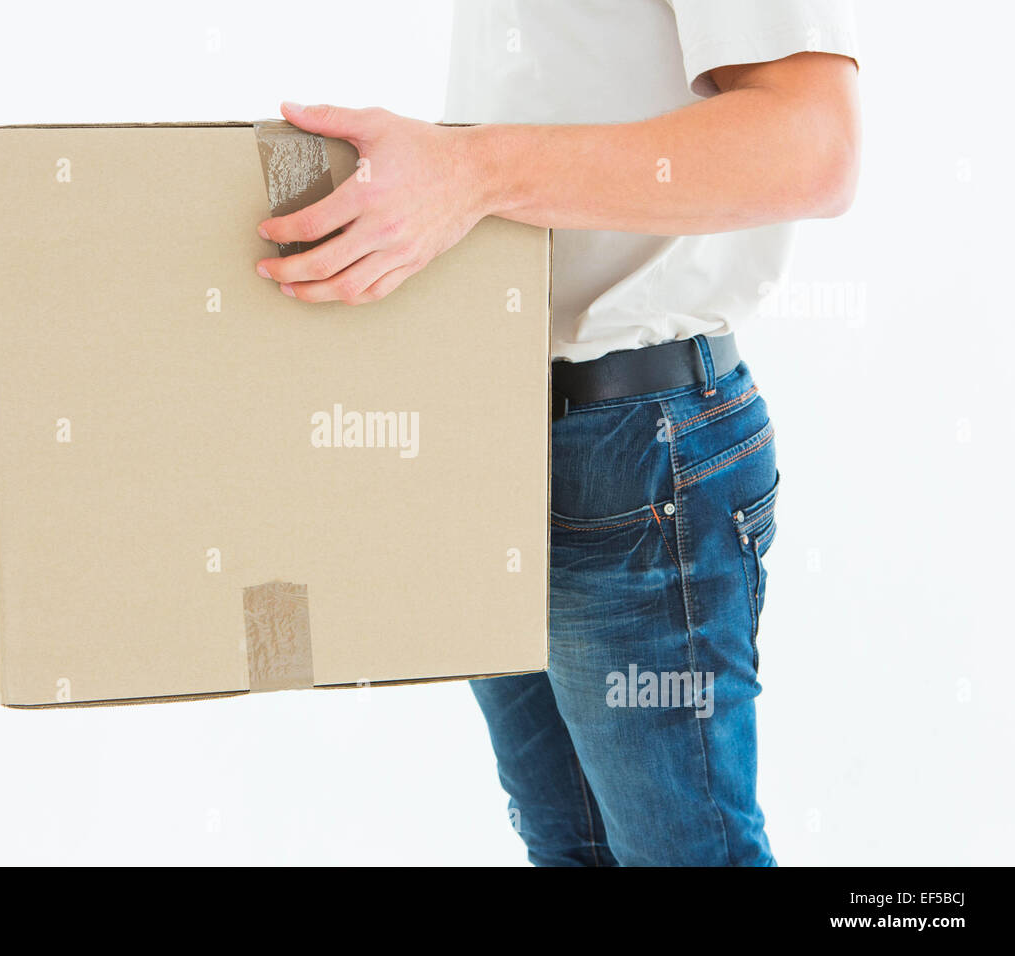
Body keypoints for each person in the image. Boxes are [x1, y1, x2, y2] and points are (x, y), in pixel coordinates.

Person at [255, 0, 860, 866]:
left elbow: (817, 146)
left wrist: (473, 171)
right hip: (495, 429)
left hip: (644, 454)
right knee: (569, 850)